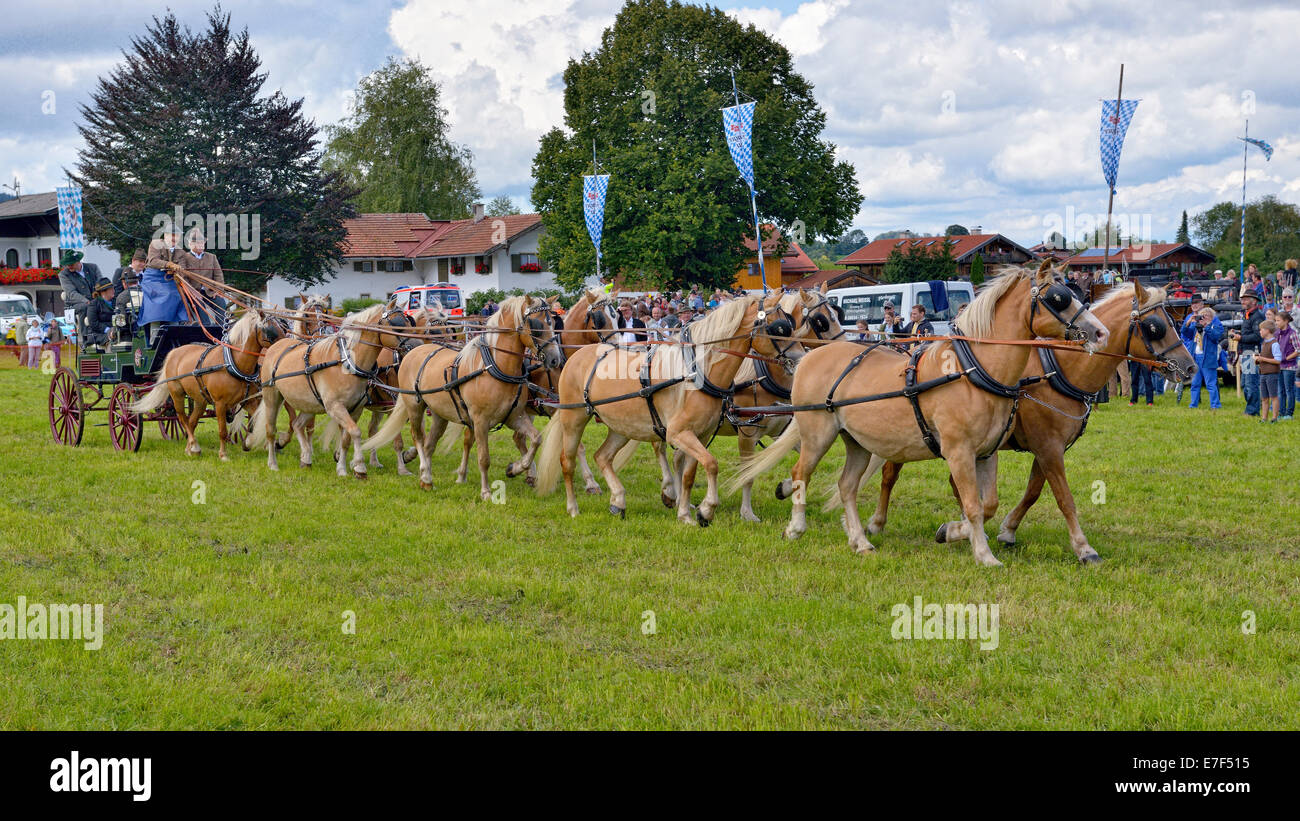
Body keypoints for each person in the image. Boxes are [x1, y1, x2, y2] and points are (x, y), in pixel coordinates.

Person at [139, 225, 189, 337]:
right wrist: (168, 265)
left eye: (177, 237)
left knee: (177, 295)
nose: (174, 240)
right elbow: (153, 261)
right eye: (172, 236)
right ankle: (154, 335)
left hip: (169, 280)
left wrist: (179, 272)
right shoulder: (155, 243)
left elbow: (182, 268)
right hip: (153, 279)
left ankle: (174, 331)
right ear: (165, 235)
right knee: (164, 296)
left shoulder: (181, 252)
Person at [1181, 305, 1223, 409]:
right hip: (1195, 358)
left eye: (1206, 316)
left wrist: (1207, 326)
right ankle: (1193, 404)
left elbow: (1215, 337)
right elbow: (1185, 332)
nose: (1203, 318)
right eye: (1202, 316)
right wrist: (1189, 322)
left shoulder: (1215, 326)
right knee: (1195, 384)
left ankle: (1215, 405)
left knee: (1211, 384)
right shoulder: (1196, 327)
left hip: (1208, 359)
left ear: (1212, 318)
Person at [1232, 287, 1265, 416]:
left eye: (1245, 299)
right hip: (1245, 352)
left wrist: (1241, 337)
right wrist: (1240, 334)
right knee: (1246, 384)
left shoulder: (1257, 316)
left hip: (1252, 353)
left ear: (1254, 301)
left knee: (1251, 384)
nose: (1243, 301)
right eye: (1242, 299)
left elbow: (1258, 336)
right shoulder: (1248, 315)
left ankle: (1252, 411)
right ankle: (1252, 408)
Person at [57, 249, 103, 341]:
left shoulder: (93, 268)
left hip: (95, 299)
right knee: (86, 306)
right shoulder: (64, 274)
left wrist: (101, 297)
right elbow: (71, 293)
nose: (69, 266)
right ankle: (85, 337)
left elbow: (101, 284)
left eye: (71, 264)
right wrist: (87, 301)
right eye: (67, 264)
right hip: (74, 304)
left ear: (78, 261)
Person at [182, 229, 226, 326]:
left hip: (210, 292)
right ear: (190, 244)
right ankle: (206, 329)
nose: (201, 245)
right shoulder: (184, 258)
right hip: (193, 293)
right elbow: (183, 277)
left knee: (221, 302)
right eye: (198, 243)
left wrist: (218, 290)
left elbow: (218, 275)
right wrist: (192, 291)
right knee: (200, 306)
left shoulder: (212, 257)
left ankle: (221, 329)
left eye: (203, 243)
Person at [1256, 320, 1282, 423]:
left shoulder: (1274, 344)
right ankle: (1264, 418)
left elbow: (1278, 360)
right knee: (1264, 398)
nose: (1260, 332)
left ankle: (1274, 418)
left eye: (1261, 330)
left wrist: (1262, 359)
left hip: (1272, 374)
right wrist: (1258, 360)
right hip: (1263, 373)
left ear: (1267, 330)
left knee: (1273, 396)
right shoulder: (1264, 344)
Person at [1275, 309, 1297, 420]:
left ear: (1286, 321)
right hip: (1279, 366)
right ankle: (1281, 412)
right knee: (1280, 390)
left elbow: (1298, 350)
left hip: (1289, 366)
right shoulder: (1277, 334)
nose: (1276, 323)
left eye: (1278, 320)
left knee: (1289, 390)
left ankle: (1289, 413)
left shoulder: (1293, 333)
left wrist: (1287, 357)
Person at [84, 278, 116, 347]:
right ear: (103, 292)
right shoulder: (93, 304)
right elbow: (94, 323)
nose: (113, 290)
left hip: (115, 331)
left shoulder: (116, 302)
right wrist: (108, 330)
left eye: (113, 288)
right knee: (113, 340)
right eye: (111, 289)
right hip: (98, 334)